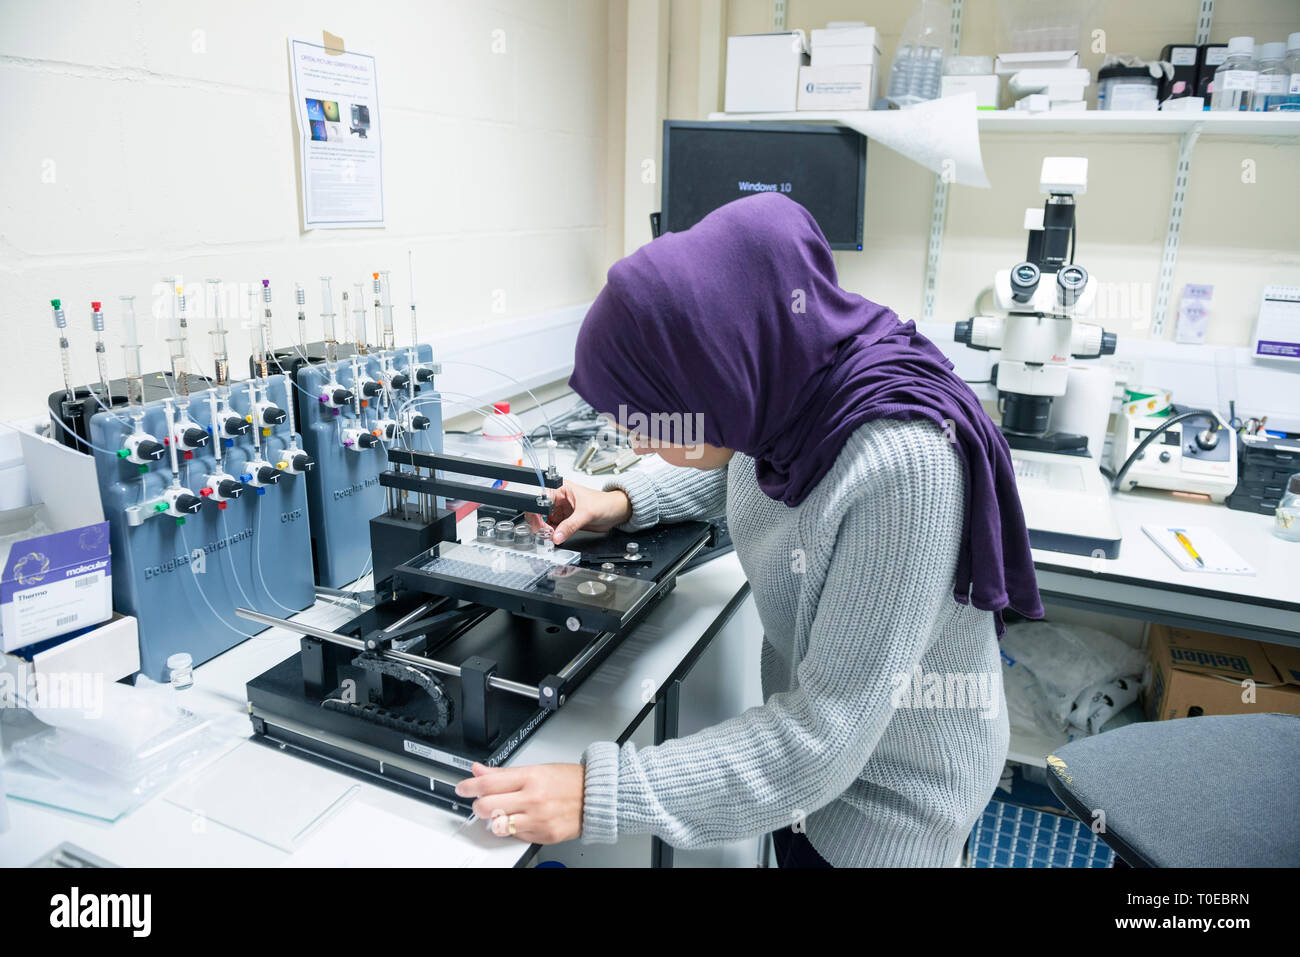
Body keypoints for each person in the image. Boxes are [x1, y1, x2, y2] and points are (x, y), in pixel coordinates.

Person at [455, 192, 1043, 867]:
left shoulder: (903, 466)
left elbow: (824, 737)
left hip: (886, 820)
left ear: (714, 385)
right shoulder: (793, 389)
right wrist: (622, 497)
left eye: (648, 420)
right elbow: (749, 467)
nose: (640, 441)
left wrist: (596, 792)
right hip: (812, 796)